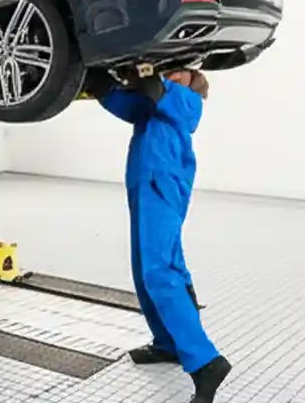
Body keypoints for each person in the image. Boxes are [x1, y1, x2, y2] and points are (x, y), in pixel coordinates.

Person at [86, 67, 231, 403]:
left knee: (160, 272)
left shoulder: (188, 101)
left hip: (162, 187)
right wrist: (100, 87)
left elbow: (154, 87)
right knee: (146, 268)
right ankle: (168, 343)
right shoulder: (156, 103)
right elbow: (131, 106)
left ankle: (206, 362)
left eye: (181, 71)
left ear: (194, 79)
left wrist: (138, 66)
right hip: (145, 187)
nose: (173, 73)